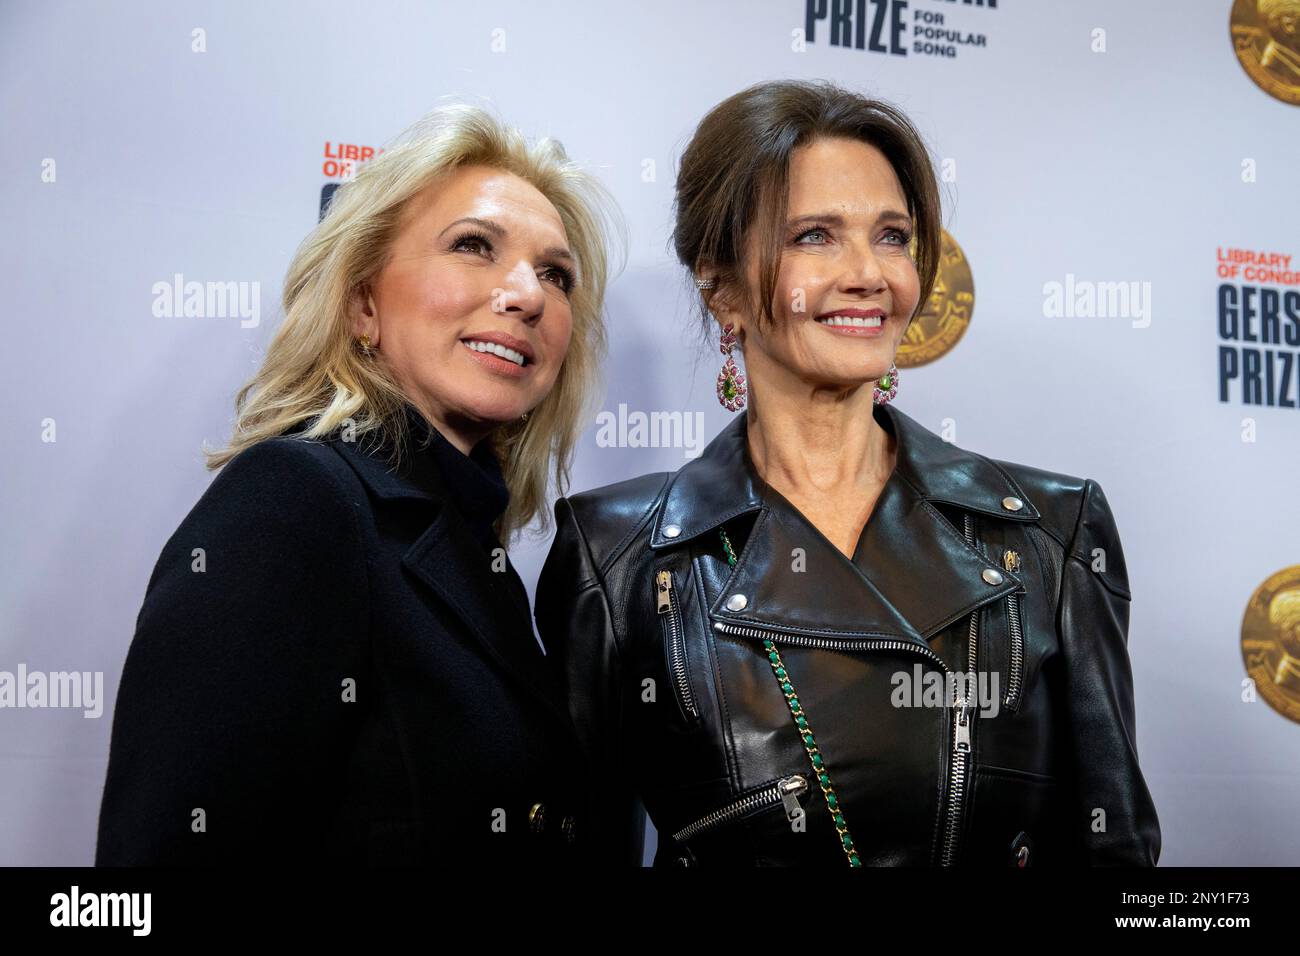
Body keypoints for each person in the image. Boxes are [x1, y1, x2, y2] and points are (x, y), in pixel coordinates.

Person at [535, 79, 1161, 866]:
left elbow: (1117, 851)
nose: (870, 273)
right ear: (721, 286)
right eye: (816, 236)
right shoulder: (617, 557)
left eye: (893, 235)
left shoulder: (1052, 531)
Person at [95, 103, 620, 865]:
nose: (528, 294)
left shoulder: (476, 551)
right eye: (474, 246)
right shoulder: (294, 503)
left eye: (555, 274)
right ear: (362, 303)